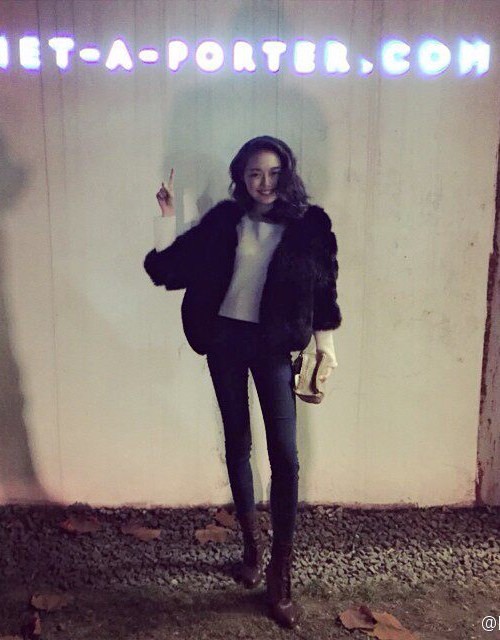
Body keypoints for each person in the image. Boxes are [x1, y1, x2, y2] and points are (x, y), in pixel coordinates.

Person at [143, 135, 341, 628]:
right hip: (226, 342)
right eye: (255, 173)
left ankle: (281, 574)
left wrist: (326, 348)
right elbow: (167, 269)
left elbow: (324, 293)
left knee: (286, 457)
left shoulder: (310, 226)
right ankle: (252, 550)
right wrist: (167, 216)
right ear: (241, 177)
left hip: (274, 347)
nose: (264, 183)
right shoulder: (223, 221)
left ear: (287, 173)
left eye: (273, 173)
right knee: (238, 443)